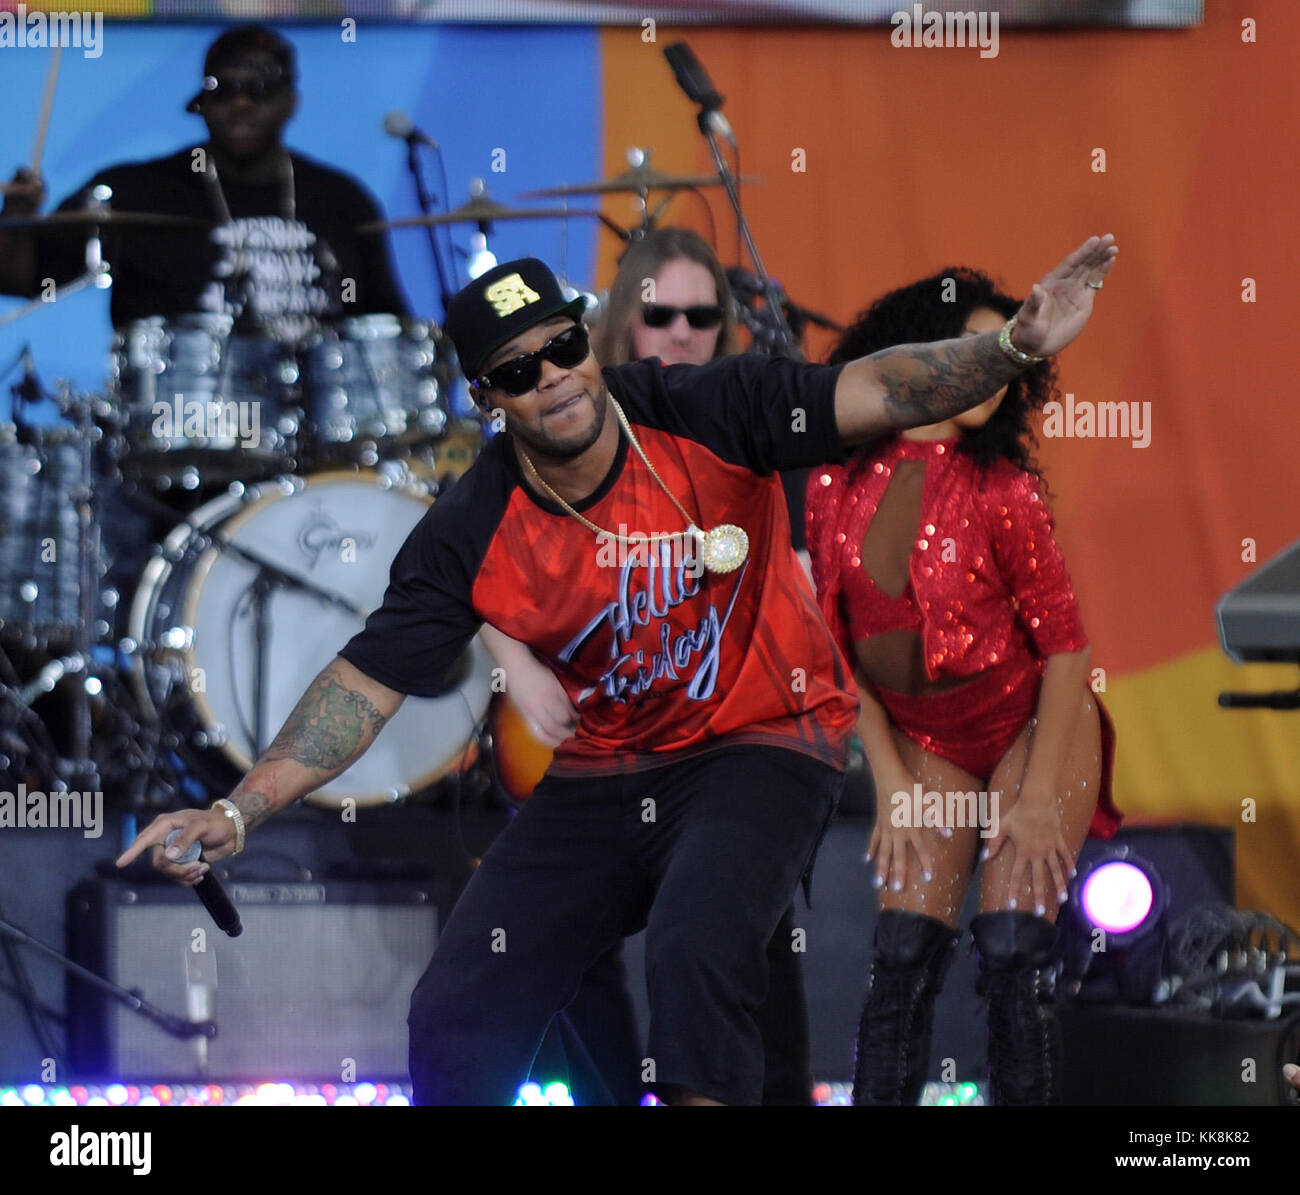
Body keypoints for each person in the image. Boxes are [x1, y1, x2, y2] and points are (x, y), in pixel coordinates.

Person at [117, 237, 1118, 1106]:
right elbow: (364, 682)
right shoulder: (471, 522)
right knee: (457, 1006)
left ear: (587, 340)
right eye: (518, 369)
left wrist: (1010, 347)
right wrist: (240, 810)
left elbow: (878, 389)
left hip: (762, 739)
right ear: (486, 398)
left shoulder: (712, 405)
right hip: (607, 770)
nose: (552, 375)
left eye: (562, 345)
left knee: (694, 953)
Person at [482, 227, 812, 1105]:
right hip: (601, 745)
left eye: (702, 315)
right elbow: (473, 564)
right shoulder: (564, 430)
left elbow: (807, 577)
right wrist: (516, 663)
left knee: (742, 938)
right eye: (659, 312)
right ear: (622, 322)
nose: (680, 332)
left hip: (726, 744)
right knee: (568, 947)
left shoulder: (743, 424)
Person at [803, 266, 1123, 1106]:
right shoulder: (833, 486)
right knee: (904, 953)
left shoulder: (1004, 489)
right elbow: (842, 651)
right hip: (928, 741)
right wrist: (894, 784)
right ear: (916, 358)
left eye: (1005, 355)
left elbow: (1065, 651)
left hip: (1030, 727)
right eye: (974, 351)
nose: (992, 372)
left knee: (1015, 947)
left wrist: (1038, 793)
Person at [0, 25, 407, 339]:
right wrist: (18, 210)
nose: (241, 103)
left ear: (290, 102)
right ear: (202, 104)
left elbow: (388, 327)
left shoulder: (342, 199)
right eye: (223, 89)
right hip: (178, 425)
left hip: (317, 433)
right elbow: (21, 278)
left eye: (260, 88)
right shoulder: (134, 191)